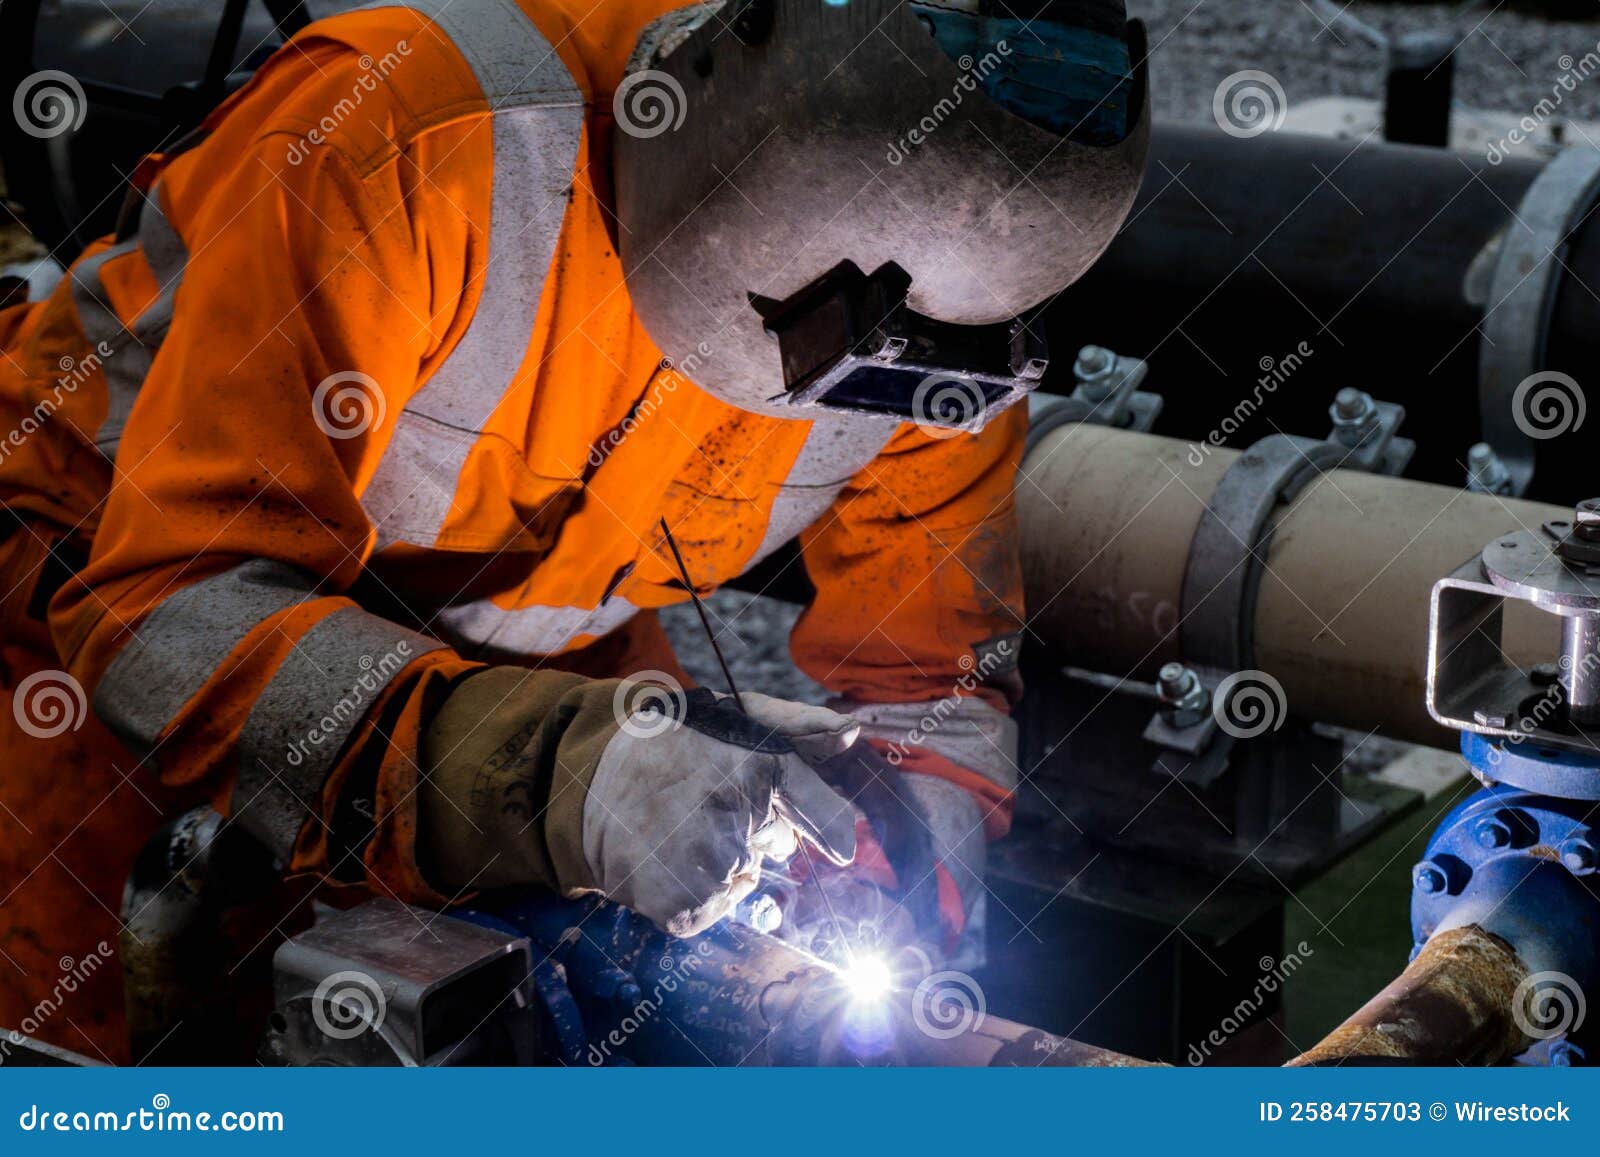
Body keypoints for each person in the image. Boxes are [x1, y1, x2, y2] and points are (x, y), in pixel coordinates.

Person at [0, 0, 1147, 1061]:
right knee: (127, 1031)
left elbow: (929, 669)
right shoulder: (413, 139)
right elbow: (170, 613)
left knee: (556, 1006)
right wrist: (558, 773)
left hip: (517, 640)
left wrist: (915, 836)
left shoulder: (953, 321)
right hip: (104, 599)